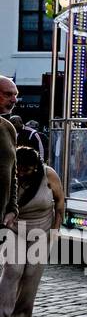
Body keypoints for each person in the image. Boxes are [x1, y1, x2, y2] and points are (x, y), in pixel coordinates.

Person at [0, 147, 66, 317]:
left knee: (31, 275)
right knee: (13, 270)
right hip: (15, 229)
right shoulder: (8, 174)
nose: (21, 173)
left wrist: (55, 230)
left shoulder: (49, 175)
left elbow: (60, 202)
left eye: (26, 170)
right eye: (19, 169)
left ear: (35, 168)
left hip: (41, 231)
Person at [0, 77, 19, 226]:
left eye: (16, 94)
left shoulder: (8, 128)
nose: (14, 100)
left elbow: (13, 174)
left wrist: (13, 209)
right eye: (8, 94)